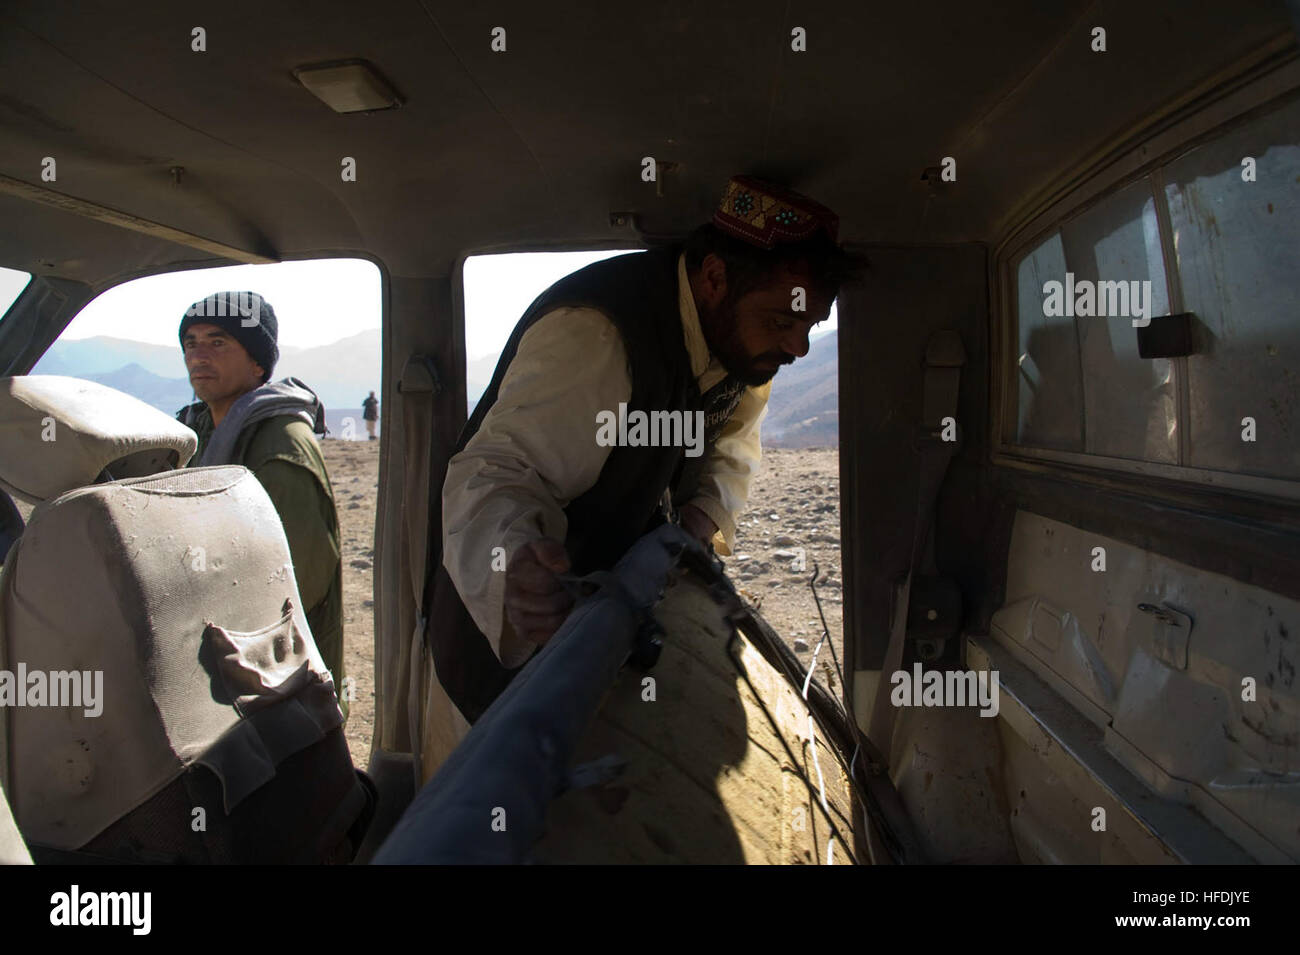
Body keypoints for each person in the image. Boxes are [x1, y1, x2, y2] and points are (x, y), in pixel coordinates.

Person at [423, 176, 864, 763]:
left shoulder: (744, 347)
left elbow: (733, 440)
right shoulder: (600, 334)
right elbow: (497, 472)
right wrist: (515, 566)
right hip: (497, 647)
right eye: (784, 321)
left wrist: (702, 514)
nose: (799, 348)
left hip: (604, 619)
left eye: (809, 326)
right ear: (714, 279)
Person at [175, 291, 347, 718]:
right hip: (219, 669)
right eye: (191, 342)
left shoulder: (281, 445)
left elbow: (294, 586)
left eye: (218, 342)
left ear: (257, 362)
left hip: (276, 687)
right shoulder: (194, 435)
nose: (198, 356)